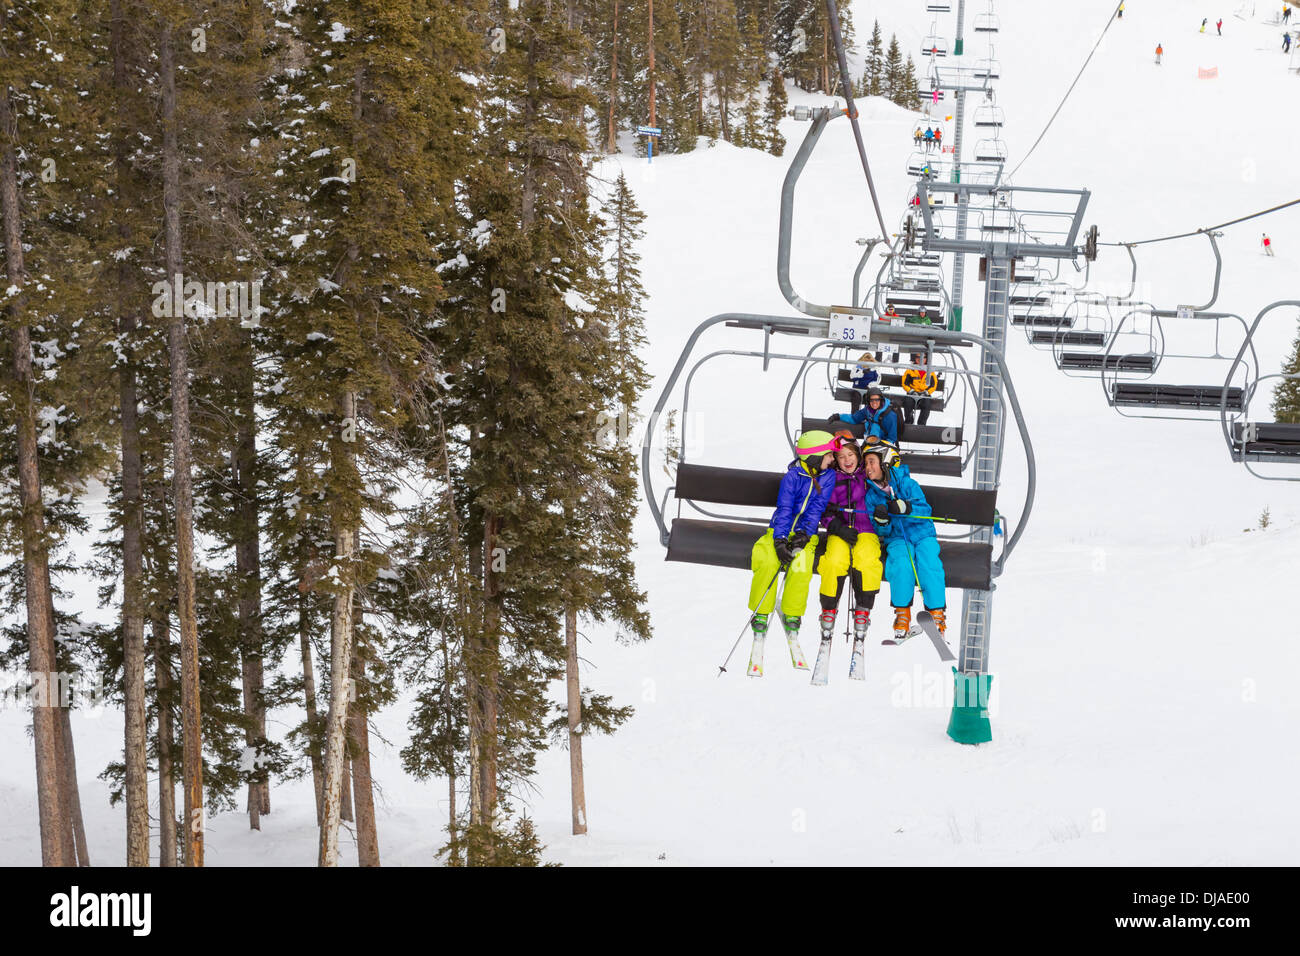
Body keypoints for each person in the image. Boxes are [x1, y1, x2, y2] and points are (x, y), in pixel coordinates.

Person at [746, 430, 840, 676]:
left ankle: (792, 613)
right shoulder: (792, 476)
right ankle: (761, 613)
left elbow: (817, 508)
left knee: (801, 565)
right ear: (815, 456)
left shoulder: (828, 477)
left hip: (804, 535)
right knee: (767, 560)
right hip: (778, 530)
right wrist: (779, 539)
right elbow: (785, 507)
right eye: (829, 454)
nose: (832, 459)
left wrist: (805, 534)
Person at [861, 444, 948, 641]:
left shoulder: (908, 484)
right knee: (900, 564)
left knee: (929, 563)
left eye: (871, 462)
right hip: (898, 538)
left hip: (923, 534)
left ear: (884, 463)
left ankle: (936, 613)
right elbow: (880, 530)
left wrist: (906, 507)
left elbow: (925, 511)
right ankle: (902, 613)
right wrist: (882, 521)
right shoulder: (872, 496)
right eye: (865, 463)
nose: (867, 467)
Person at [814, 436, 884, 649]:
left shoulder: (867, 475)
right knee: (833, 560)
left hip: (866, 530)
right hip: (840, 533)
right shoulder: (830, 479)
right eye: (841, 456)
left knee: (867, 560)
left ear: (858, 456)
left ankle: (863, 609)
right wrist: (836, 527)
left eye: (851, 455)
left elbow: (887, 484)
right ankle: (828, 608)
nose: (847, 460)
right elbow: (822, 508)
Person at [831, 385, 901, 445]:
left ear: (881, 400)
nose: (874, 402)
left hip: (882, 443)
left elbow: (892, 438)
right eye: (871, 400)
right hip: (870, 439)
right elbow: (854, 418)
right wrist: (838, 416)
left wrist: (883, 446)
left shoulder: (889, 415)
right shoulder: (867, 410)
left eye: (877, 400)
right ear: (868, 401)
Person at [900, 353, 939, 426]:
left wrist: (927, 392)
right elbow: (905, 383)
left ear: (926, 359)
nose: (920, 359)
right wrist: (911, 391)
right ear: (915, 358)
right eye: (918, 357)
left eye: (923, 357)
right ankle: (908, 422)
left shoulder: (930, 371)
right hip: (912, 393)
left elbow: (934, 384)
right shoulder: (910, 370)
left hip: (924, 394)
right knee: (908, 402)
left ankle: (921, 424)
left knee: (927, 404)